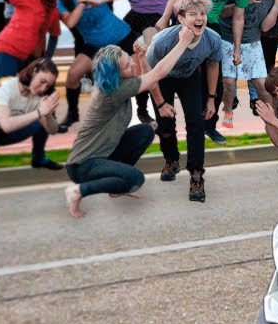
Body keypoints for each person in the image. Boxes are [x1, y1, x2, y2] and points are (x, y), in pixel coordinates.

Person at [64, 24, 198, 218]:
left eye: (130, 59)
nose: (132, 65)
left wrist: (141, 58)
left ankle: (116, 187)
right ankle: (78, 191)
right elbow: (157, 74)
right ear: (115, 74)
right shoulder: (114, 91)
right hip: (82, 165)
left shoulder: (116, 84)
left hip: (102, 156)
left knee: (145, 131)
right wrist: (183, 42)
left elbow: (149, 80)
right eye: (127, 66)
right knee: (135, 178)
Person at [158, 0, 255, 144]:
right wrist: (165, 18)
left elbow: (239, 17)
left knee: (215, 81)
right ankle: (168, 126)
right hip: (189, 18)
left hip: (211, 23)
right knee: (182, 72)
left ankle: (209, 126)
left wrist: (237, 49)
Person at [145, 0, 222, 202]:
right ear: (181, 18)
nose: (199, 18)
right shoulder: (162, 41)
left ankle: (196, 174)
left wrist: (211, 98)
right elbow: (150, 75)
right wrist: (160, 103)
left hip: (189, 77)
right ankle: (171, 160)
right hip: (162, 79)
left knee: (196, 124)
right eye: (193, 14)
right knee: (165, 124)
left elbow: (213, 65)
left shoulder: (212, 39)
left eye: (202, 14)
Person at [57, 0, 138, 132]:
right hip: (95, 45)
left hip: (122, 37)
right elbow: (71, 22)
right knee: (73, 74)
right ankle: (72, 114)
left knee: (138, 75)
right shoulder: (63, 1)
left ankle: (143, 112)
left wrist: (100, 0)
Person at [100, 0, 166, 126]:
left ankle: (158, 107)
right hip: (136, 13)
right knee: (117, 50)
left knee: (147, 58)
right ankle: (135, 107)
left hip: (156, 12)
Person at [0, 58, 62, 170]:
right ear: (34, 71)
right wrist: (39, 112)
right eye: (42, 81)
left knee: (41, 121)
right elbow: (7, 126)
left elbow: (52, 130)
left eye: (47, 86)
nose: (43, 88)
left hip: (3, 134)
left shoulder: (38, 97)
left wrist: (48, 114)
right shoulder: (6, 86)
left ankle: (39, 159)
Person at [219, 0, 273, 129]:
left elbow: (265, 26)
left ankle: (273, 116)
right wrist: (243, 2)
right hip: (228, 39)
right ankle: (228, 111)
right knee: (229, 81)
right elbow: (220, 12)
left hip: (252, 41)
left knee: (260, 83)